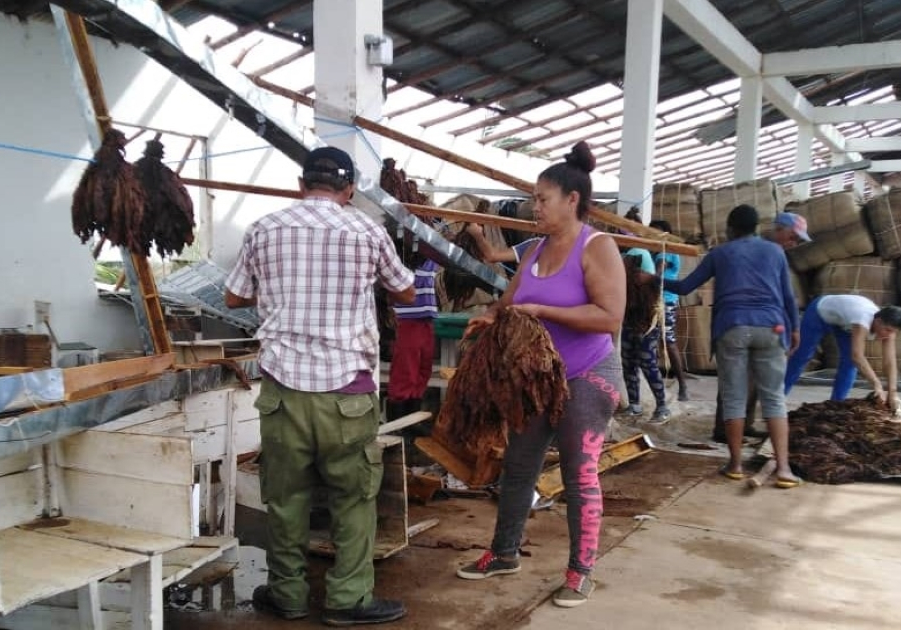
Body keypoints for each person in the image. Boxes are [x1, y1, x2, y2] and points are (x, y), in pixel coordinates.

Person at [225, 146, 415, 626]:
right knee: (352, 500)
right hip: (347, 392)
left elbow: (233, 295)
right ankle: (347, 601)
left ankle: (287, 594)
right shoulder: (367, 231)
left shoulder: (264, 229)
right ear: (348, 189)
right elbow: (406, 290)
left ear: (300, 183)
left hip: (282, 391)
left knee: (286, 499)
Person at [455, 142, 625, 608]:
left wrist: (544, 309)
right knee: (518, 468)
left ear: (572, 200)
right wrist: (491, 317)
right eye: (534, 199)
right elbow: (509, 301)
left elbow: (609, 317)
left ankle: (580, 572)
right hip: (538, 381)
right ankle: (504, 552)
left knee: (579, 473)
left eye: (543, 199)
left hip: (589, 374)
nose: (536, 207)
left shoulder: (598, 247)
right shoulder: (533, 250)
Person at [658, 205, 801, 488]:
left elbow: (686, 287)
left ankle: (735, 465)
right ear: (757, 228)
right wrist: (794, 329)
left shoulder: (720, 253)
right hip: (771, 326)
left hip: (732, 326)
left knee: (733, 397)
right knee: (774, 399)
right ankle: (783, 469)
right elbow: (788, 295)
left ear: (730, 229)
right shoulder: (775, 252)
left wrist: (653, 280)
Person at [711, 210, 811, 443]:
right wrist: (794, 328)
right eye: (792, 237)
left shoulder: (774, 253)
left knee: (754, 379)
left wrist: (793, 327)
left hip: (760, 324)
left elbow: (787, 296)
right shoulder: (758, 250)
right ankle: (723, 429)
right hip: (742, 322)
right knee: (735, 381)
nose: (793, 243)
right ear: (779, 229)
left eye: (796, 240)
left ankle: (744, 424)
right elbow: (787, 296)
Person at [785, 295, 901, 407]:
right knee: (801, 356)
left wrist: (892, 392)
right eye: (887, 330)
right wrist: (877, 385)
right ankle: (778, 398)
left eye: (894, 332)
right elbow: (857, 356)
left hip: (844, 323)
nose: (889, 335)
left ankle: (836, 405)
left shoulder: (889, 330)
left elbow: (889, 362)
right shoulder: (862, 319)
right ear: (878, 321)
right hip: (819, 313)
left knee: (849, 364)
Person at [386, 251, 440, 423]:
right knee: (405, 372)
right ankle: (399, 424)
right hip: (405, 318)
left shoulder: (433, 246)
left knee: (423, 370)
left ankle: (412, 420)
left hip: (425, 317)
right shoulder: (404, 245)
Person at [621, 248, 669, 420]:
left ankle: (662, 406)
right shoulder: (625, 282)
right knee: (628, 364)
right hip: (629, 324)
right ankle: (634, 404)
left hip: (648, 326)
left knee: (648, 363)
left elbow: (652, 307)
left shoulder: (652, 286)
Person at [649, 220, 689, 402]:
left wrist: (646, 277)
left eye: (656, 231)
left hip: (665, 302)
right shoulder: (659, 251)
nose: (653, 234)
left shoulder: (667, 251)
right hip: (660, 301)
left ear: (666, 233)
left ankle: (683, 387)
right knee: (659, 342)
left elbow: (658, 273)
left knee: (668, 343)